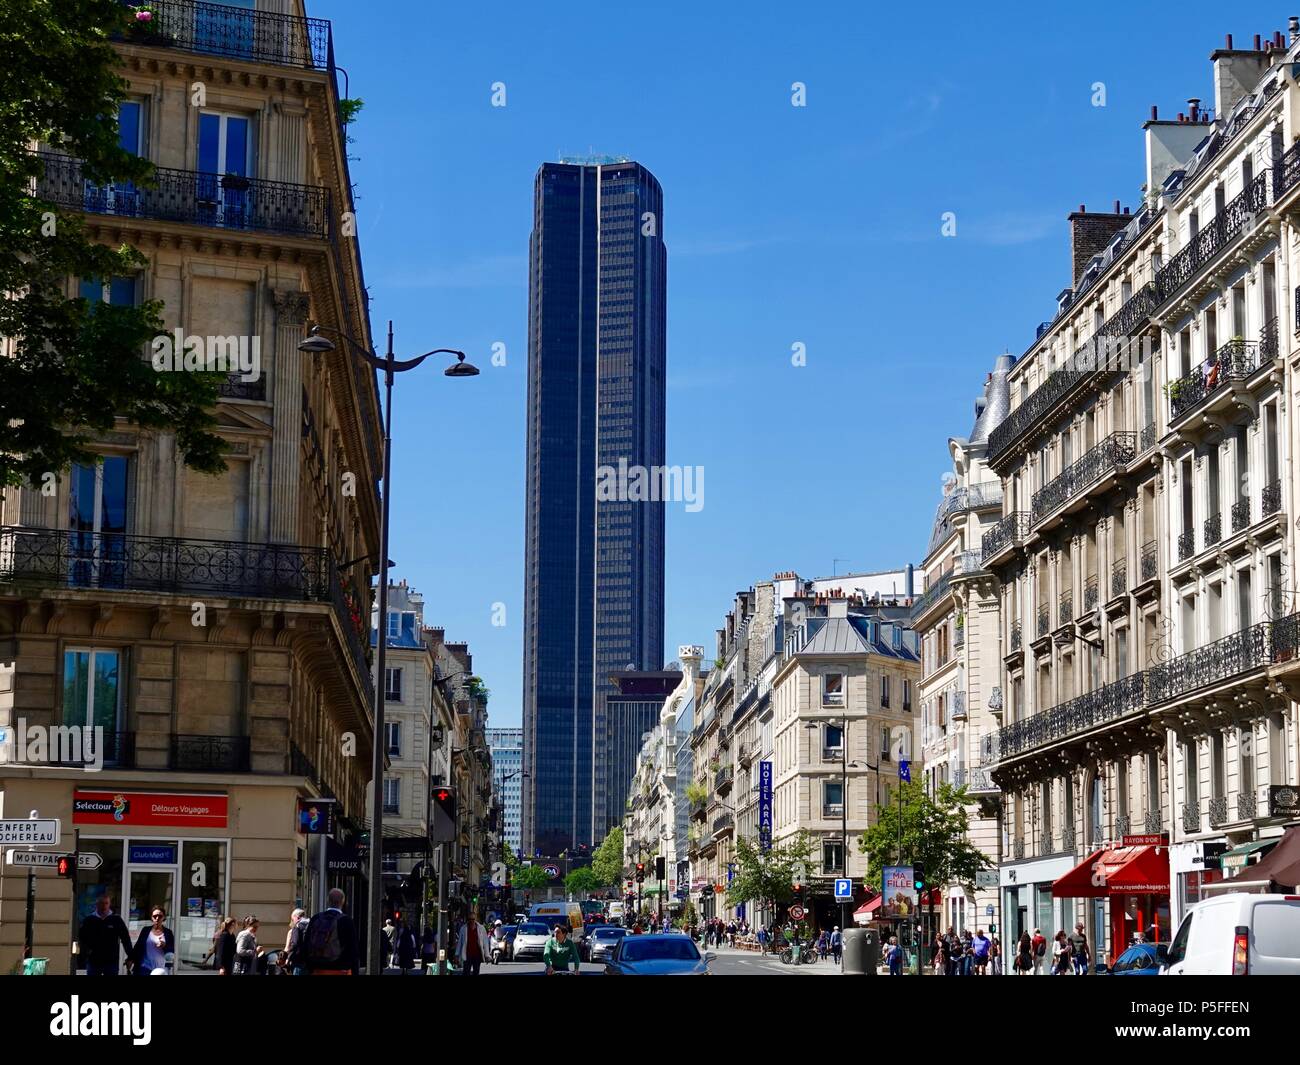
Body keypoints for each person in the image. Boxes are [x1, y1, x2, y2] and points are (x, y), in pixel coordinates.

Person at [301, 888, 361, 975]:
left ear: (328, 901)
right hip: (340, 970)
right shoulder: (346, 921)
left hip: (317, 970)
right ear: (343, 902)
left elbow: (306, 945)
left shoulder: (316, 918)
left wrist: (309, 967)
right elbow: (353, 951)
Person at [77, 894, 133, 976]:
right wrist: (83, 957)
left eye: (106, 903)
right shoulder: (89, 920)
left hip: (111, 962)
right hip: (94, 962)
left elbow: (126, 939)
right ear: (97, 905)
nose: (104, 906)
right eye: (101, 903)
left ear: (109, 904)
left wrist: (130, 956)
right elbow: (82, 939)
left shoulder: (116, 920)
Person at [129, 906, 175, 975]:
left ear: (164, 917)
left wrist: (164, 945)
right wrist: (130, 959)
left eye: (160, 916)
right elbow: (138, 947)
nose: (157, 918)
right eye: (155, 916)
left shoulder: (168, 933)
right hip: (144, 968)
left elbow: (171, 951)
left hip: (161, 970)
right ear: (151, 917)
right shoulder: (145, 930)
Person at [457, 911, 490, 976]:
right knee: (466, 972)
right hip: (467, 954)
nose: (471, 921)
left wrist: (487, 955)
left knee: (476, 972)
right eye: (470, 919)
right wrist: (457, 954)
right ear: (468, 920)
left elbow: (485, 943)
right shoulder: (463, 929)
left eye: (473, 919)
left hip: (477, 954)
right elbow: (460, 942)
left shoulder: (481, 928)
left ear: (475, 919)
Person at [281, 909, 307, 975]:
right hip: (310, 963)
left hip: (298, 962)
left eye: (292, 919)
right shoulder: (311, 925)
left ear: (297, 917)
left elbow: (294, 944)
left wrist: (288, 958)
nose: (293, 922)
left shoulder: (297, 927)